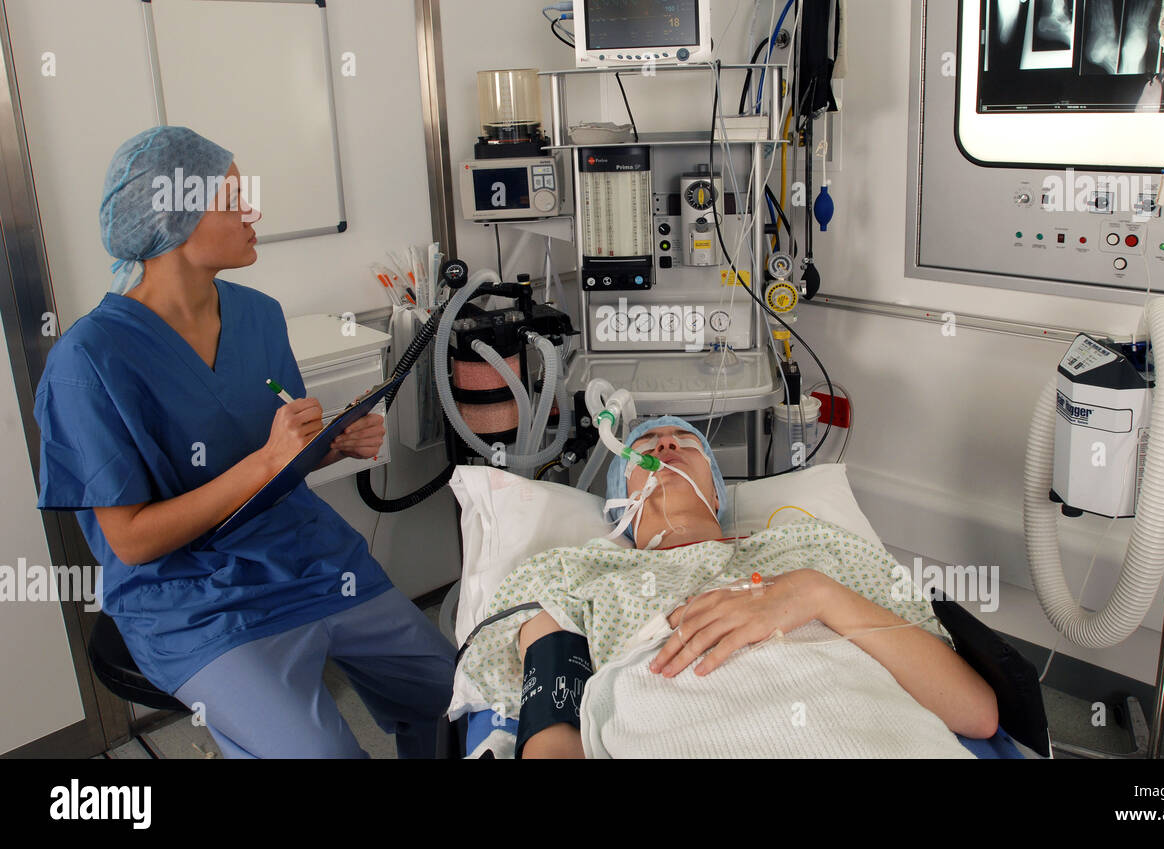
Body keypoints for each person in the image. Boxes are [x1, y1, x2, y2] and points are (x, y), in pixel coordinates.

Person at [34, 126, 455, 758]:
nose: (253, 214)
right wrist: (267, 461)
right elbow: (133, 539)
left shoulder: (257, 313)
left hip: (304, 558)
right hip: (190, 600)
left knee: (458, 696)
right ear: (171, 219)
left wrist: (332, 445)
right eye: (233, 201)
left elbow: (277, 459)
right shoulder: (89, 359)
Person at [512, 415, 999, 758]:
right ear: (619, 501)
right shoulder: (580, 576)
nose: (665, 446)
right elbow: (553, 736)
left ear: (717, 486)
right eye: (645, 446)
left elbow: (974, 713)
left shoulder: (816, 549)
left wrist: (814, 593)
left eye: (685, 439)